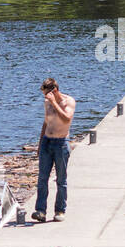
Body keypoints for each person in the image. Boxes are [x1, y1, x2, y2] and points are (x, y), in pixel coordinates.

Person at [33, 78, 75, 223]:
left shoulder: (68, 101)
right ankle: (40, 210)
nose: (45, 98)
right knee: (42, 178)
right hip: (47, 142)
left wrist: (53, 102)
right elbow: (46, 122)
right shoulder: (47, 103)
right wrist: (40, 144)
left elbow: (66, 119)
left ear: (54, 90)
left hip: (61, 143)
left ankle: (60, 210)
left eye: (47, 94)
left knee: (61, 179)